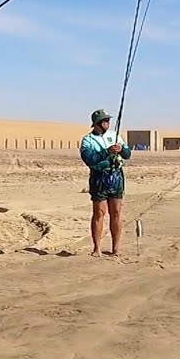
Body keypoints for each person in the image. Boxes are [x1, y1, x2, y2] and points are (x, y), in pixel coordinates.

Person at [79, 109, 132, 257]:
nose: (108, 123)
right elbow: (89, 158)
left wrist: (121, 150)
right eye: (105, 121)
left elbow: (128, 154)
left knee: (116, 213)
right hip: (99, 178)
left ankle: (116, 248)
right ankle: (97, 248)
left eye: (108, 120)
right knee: (99, 213)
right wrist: (106, 152)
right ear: (97, 124)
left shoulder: (115, 136)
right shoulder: (87, 140)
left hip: (116, 177)